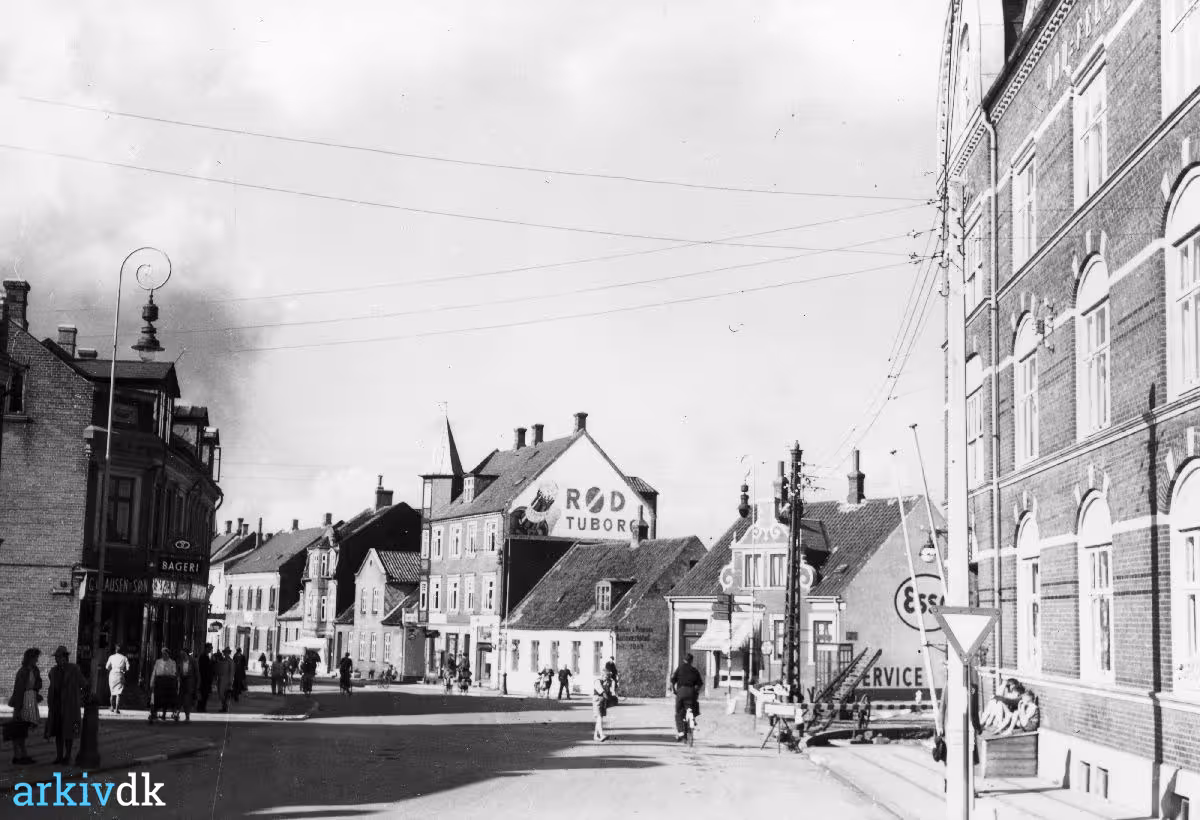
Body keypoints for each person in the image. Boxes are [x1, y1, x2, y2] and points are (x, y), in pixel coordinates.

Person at [44, 646, 84, 765]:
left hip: (70, 706)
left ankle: (68, 756)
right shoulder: (53, 671)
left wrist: (78, 695)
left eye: (58, 657)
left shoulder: (74, 669)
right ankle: (59, 756)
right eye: (56, 657)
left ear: (65, 657)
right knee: (58, 732)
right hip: (56, 705)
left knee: (69, 732)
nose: (56, 659)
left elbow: (83, 683)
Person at [6, 648, 43, 765]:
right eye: (35, 657)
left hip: (30, 701)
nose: (37, 660)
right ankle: (18, 755)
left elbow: (38, 684)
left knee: (23, 729)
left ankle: (23, 754)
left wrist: (35, 693)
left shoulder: (35, 670)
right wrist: (18, 708)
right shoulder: (22, 672)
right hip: (22, 701)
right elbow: (18, 690)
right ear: (30, 658)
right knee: (18, 729)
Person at [670, 653, 704, 742]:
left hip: (681, 692)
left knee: (678, 712)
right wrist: (696, 691)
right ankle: (693, 717)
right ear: (691, 661)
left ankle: (681, 731)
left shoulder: (680, 668)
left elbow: (673, 680)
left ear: (684, 660)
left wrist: (674, 689)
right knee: (693, 706)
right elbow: (700, 683)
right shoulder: (694, 670)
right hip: (691, 692)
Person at [149, 648, 178, 723]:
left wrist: (173, 679)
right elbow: (154, 672)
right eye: (163, 654)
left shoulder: (172, 662)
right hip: (159, 681)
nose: (164, 655)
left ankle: (164, 713)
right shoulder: (158, 661)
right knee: (157, 698)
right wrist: (152, 682)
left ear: (168, 654)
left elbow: (174, 673)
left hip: (168, 681)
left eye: (165, 654)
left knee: (166, 698)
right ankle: (154, 712)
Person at [175, 646, 198, 722]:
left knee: (187, 700)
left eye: (183, 653)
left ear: (186, 654)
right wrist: (177, 677)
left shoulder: (193, 661)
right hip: (182, 681)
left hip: (190, 682)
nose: (182, 655)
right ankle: (177, 714)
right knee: (179, 698)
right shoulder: (180, 661)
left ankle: (187, 716)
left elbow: (197, 673)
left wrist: (197, 685)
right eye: (181, 654)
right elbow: (177, 671)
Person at [105, 644, 130, 714]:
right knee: (118, 693)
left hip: (112, 674)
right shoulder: (124, 658)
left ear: (115, 650)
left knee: (112, 692)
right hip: (120, 674)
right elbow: (128, 668)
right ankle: (116, 709)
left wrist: (112, 669)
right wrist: (124, 671)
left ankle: (111, 707)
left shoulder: (111, 657)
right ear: (122, 651)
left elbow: (107, 667)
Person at [214, 647, 234, 712]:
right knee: (220, 694)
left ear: (229, 653)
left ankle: (225, 707)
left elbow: (231, 672)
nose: (226, 653)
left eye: (227, 652)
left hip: (227, 680)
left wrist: (230, 681)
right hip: (220, 680)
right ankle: (224, 706)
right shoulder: (222, 660)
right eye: (225, 652)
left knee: (225, 695)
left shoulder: (231, 661)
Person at [591, 677, 611, 742]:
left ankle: (595, 736)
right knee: (599, 717)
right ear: (602, 675)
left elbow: (607, 692)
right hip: (597, 700)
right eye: (606, 676)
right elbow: (603, 692)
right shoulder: (597, 681)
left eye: (607, 676)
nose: (606, 678)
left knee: (599, 719)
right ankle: (601, 735)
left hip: (602, 701)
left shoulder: (605, 682)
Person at [197, 643, 214, 712]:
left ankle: (201, 707)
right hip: (204, 679)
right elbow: (204, 669)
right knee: (204, 693)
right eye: (210, 648)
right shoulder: (203, 656)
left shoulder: (206, 656)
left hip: (205, 679)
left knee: (204, 693)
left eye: (211, 648)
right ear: (206, 648)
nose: (211, 649)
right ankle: (201, 707)